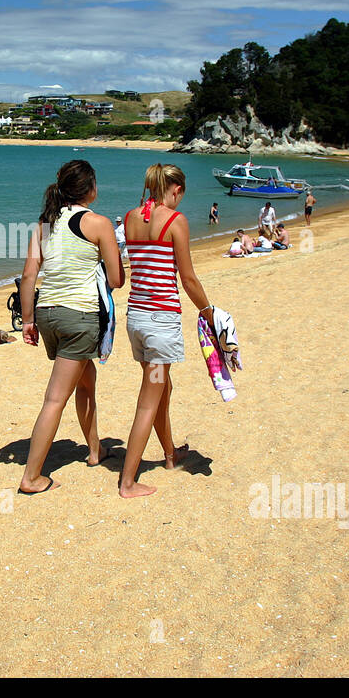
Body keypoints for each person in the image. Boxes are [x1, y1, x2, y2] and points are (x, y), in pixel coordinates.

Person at [18, 160, 124, 494]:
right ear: (89, 188)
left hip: (47, 314)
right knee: (54, 399)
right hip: (78, 317)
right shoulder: (98, 224)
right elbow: (117, 279)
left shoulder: (44, 225)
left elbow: (29, 277)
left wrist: (28, 321)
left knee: (86, 379)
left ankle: (95, 449)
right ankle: (31, 477)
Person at [120, 164, 212, 498]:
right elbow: (187, 278)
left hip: (136, 320)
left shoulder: (131, 218)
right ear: (175, 189)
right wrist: (208, 311)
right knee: (149, 400)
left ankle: (171, 455)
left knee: (162, 389)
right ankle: (128, 482)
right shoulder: (176, 221)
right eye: (180, 195)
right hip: (160, 323)